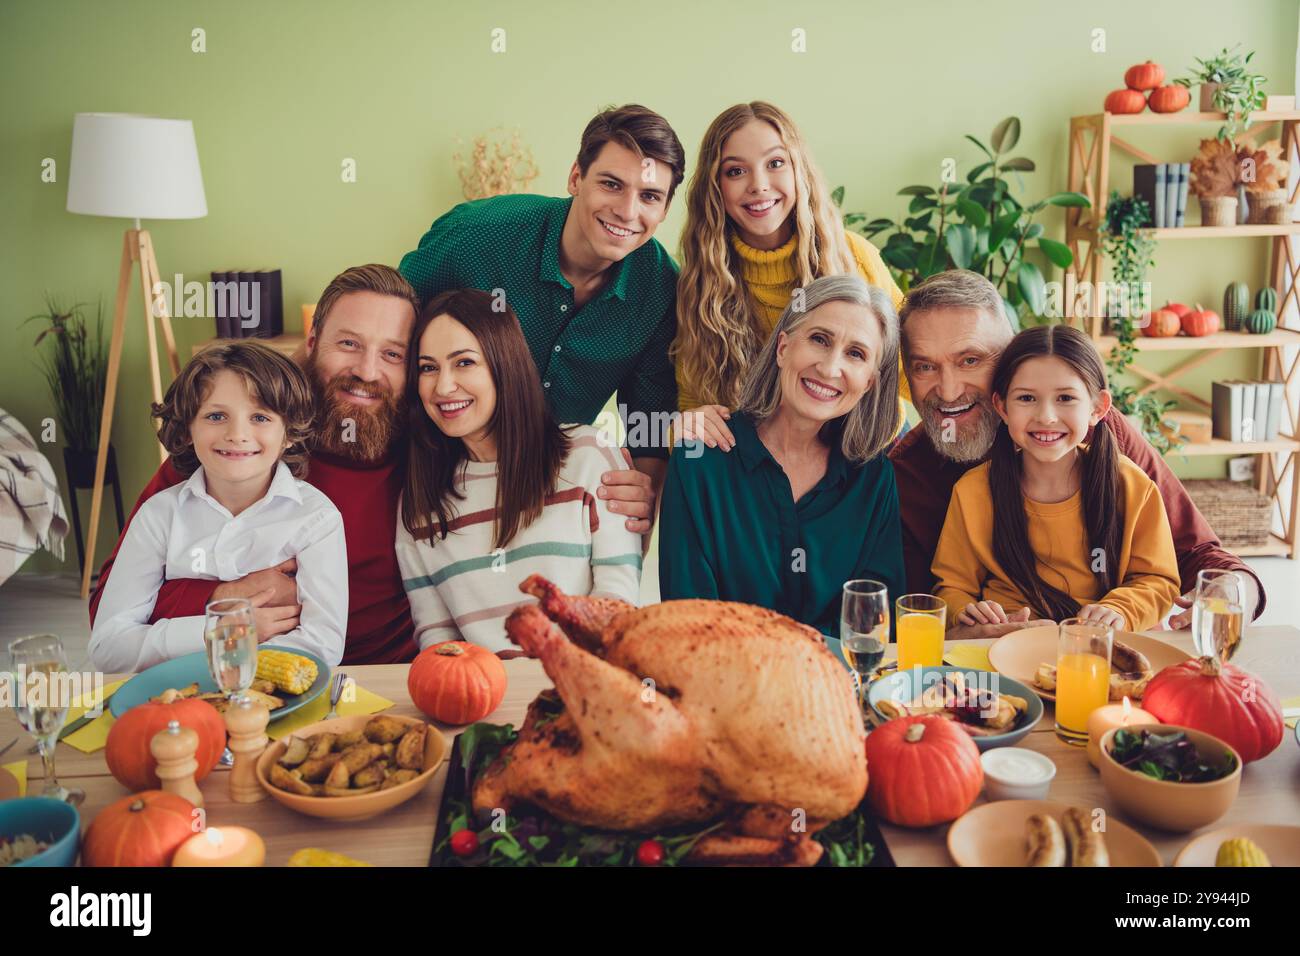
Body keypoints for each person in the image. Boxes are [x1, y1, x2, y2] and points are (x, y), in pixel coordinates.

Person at [889, 269, 1266, 639]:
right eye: (925, 366)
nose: (949, 390)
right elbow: (924, 607)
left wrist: (1235, 590)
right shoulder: (906, 473)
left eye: (970, 360)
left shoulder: (1100, 434)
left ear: (1010, 359)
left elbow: (1192, 551)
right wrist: (964, 627)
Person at [90, 264, 423, 664]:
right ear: (313, 342)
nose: (368, 371)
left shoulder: (427, 452)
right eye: (349, 344)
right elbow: (107, 614)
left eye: (392, 354)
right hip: (229, 668)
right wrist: (224, 597)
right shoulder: (235, 450)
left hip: (389, 674)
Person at [399, 105, 686, 536]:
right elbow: (391, 320)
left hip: (545, 483)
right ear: (575, 178)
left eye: (649, 196)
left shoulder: (661, 290)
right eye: (611, 184)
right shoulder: (479, 236)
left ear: (664, 209)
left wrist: (641, 508)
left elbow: (649, 423)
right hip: (428, 467)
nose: (628, 211)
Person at [395, 290, 641, 652]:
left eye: (464, 362)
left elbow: (617, 605)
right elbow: (437, 640)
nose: (443, 386)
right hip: (481, 701)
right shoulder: (418, 503)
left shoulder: (588, 457)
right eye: (428, 368)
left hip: (588, 682)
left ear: (504, 364)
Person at [658, 275, 904, 636]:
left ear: (869, 382)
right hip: (726, 682)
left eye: (856, 354)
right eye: (820, 340)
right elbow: (687, 621)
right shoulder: (701, 460)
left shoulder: (873, 479)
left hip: (835, 684)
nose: (829, 368)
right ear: (783, 348)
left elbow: (875, 625)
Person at [90, 342, 346, 672]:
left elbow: (323, 644)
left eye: (260, 417)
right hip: (172, 695)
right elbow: (108, 648)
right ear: (186, 430)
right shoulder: (158, 516)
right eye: (215, 416)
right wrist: (226, 632)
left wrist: (237, 672)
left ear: (289, 433)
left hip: (275, 696)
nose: (237, 434)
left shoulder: (316, 519)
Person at [671, 101, 909, 452]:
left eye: (776, 163)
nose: (759, 185)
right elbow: (695, 405)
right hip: (773, 469)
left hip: (871, 453)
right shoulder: (701, 284)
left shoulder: (853, 256)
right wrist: (683, 431)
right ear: (715, 187)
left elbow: (907, 371)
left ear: (799, 170)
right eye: (736, 171)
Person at [931, 326, 1181, 633]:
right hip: (1003, 644)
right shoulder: (972, 491)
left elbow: (1158, 580)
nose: (1046, 416)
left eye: (1065, 397)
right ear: (1002, 407)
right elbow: (951, 587)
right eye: (1026, 398)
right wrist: (968, 613)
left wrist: (1118, 610)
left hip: (1098, 647)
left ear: (1098, 407)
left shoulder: (1130, 485)